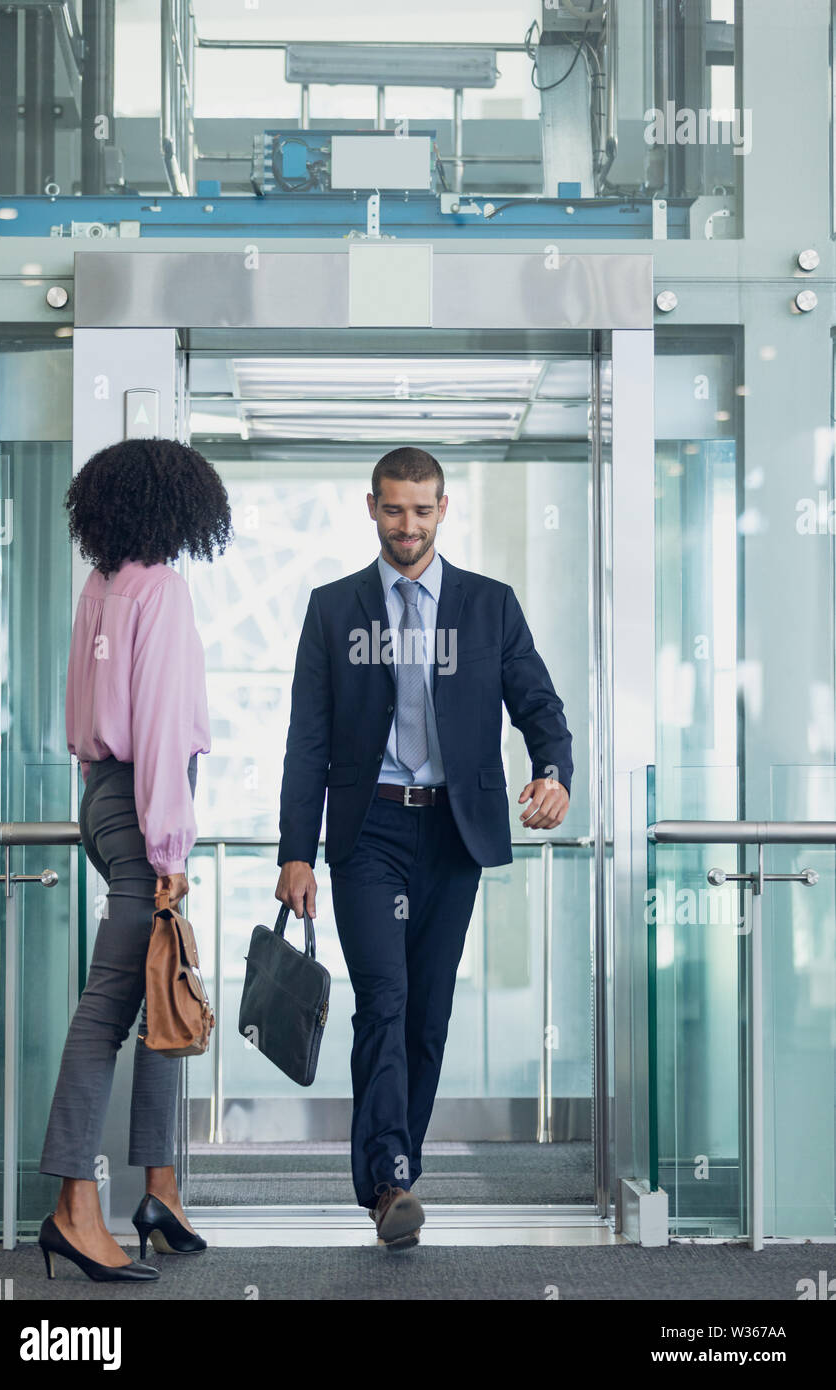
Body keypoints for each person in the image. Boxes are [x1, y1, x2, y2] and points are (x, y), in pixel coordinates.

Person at [275, 446, 573, 1250]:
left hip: (452, 832)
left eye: (423, 509)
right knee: (385, 1000)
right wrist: (295, 851)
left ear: (445, 510)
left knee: (429, 1015)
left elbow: (538, 707)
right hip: (368, 828)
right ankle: (391, 1179)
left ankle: (393, 1167)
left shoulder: (489, 607)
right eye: (394, 509)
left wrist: (555, 774)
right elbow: (307, 740)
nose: (408, 526)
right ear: (371, 506)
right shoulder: (333, 610)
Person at [38, 437, 231, 1283]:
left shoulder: (99, 587)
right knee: (113, 1004)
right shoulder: (163, 591)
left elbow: (81, 717)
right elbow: (156, 727)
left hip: (103, 799)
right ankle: (74, 1209)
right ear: (179, 507)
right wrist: (165, 847)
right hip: (147, 805)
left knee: (164, 989)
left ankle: (160, 1188)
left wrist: (116, 818)